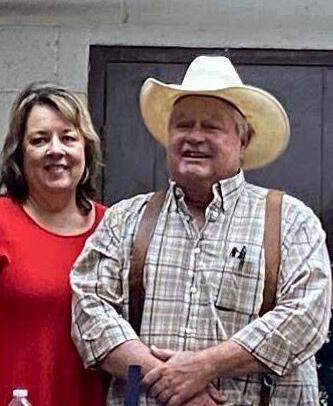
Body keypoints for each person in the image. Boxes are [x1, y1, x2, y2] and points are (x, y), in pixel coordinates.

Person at [70, 55, 331, 405]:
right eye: (183, 125)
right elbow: (89, 310)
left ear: (244, 139)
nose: (194, 137)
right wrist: (171, 383)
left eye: (211, 127)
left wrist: (204, 366)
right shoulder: (124, 219)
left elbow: (306, 317)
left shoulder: (292, 221)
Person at [0, 82, 107, 406]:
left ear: (86, 149)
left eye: (68, 138)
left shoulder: (111, 227)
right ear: (20, 154)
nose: (55, 150)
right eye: (39, 140)